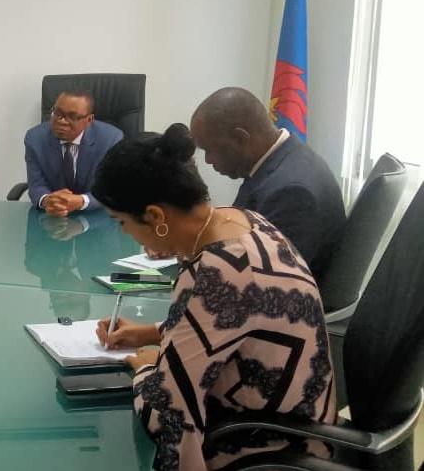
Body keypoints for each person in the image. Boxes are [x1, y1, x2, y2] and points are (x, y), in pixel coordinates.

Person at [91, 124, 336, 470]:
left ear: (156, 216)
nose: (125, 233)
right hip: (299, 420)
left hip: (266, 447)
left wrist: (145, 367)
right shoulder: (246, 220)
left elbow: (170, 414)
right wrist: (153, 333)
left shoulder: (216, 273)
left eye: (121, 222)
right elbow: (232, 322)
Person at [189, 87, 345, 280]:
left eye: (210, 150)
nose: (208, 160)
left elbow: (262, 278)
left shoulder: (291, 192)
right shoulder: (279, 160)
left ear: (240, 138)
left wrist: (191, 255)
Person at [24, 89, 123, 216]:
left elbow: (110, 191)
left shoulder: (111, 139)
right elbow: (36, 184)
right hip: (52, 218)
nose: (62, 121)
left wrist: (81, 201)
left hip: (98, 221)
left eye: (72, 116)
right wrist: (47, 200)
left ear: (89, 120)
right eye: (57, 112)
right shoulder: (35, 138)